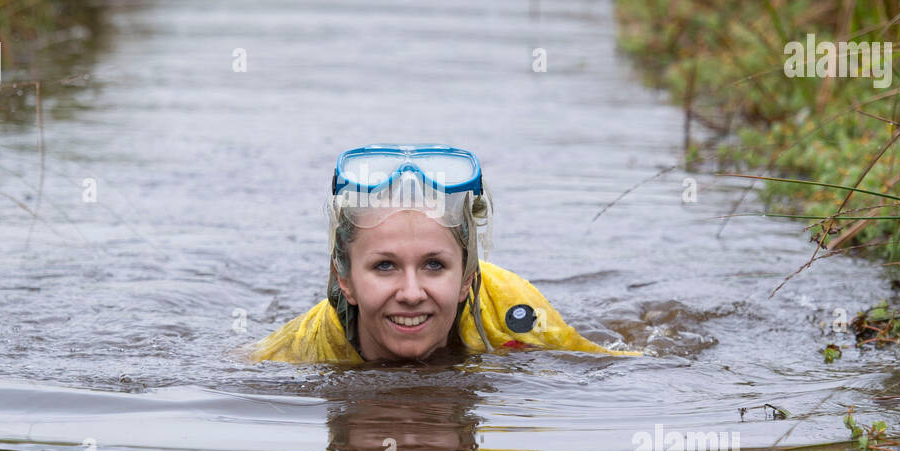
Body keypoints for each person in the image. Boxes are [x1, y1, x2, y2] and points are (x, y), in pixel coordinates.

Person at [248, 144, 642, 365]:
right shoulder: (299, 351)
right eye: (384, 266)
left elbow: (615, 365)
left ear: (468, 277)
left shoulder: (516, 315)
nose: (412, 292)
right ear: (345, 279)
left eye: (434, 265)